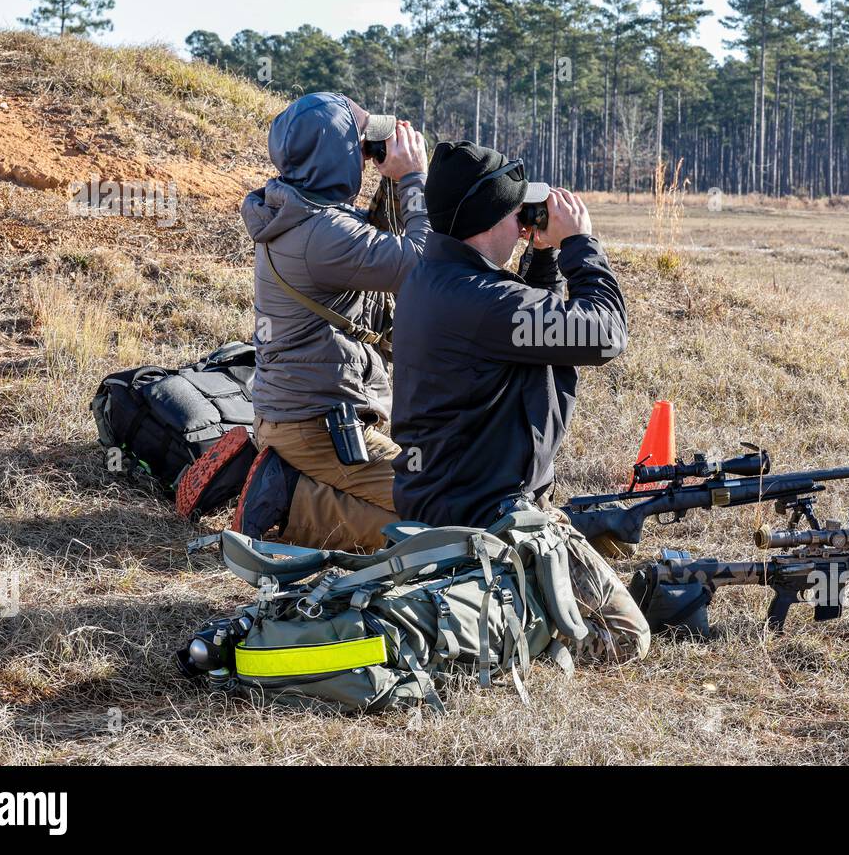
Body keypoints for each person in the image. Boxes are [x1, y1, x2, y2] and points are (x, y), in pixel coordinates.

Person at [389, 140, 648, 661]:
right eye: (516, 213)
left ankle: (511, 595)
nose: (524, 223)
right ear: (489, 221)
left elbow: (533, 330)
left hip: (440, 497)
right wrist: (580, 244)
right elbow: (604, 334)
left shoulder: (434, 277)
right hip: (487, 517)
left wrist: (544, 254)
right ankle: (514, 619)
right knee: (624, 636)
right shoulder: (484, 302)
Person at [232, 92, 430, 552]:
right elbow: (423, 266)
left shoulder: (294, 209)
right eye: (361, 146)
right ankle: (292, 502)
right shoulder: (321, 234)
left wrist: (388, 182)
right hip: (317, 428)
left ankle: (290, 482)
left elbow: (373, 240)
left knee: (426, 507)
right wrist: (412, 179)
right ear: (338, 157)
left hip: (299, 417)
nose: (366, 157)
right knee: (439, 510)